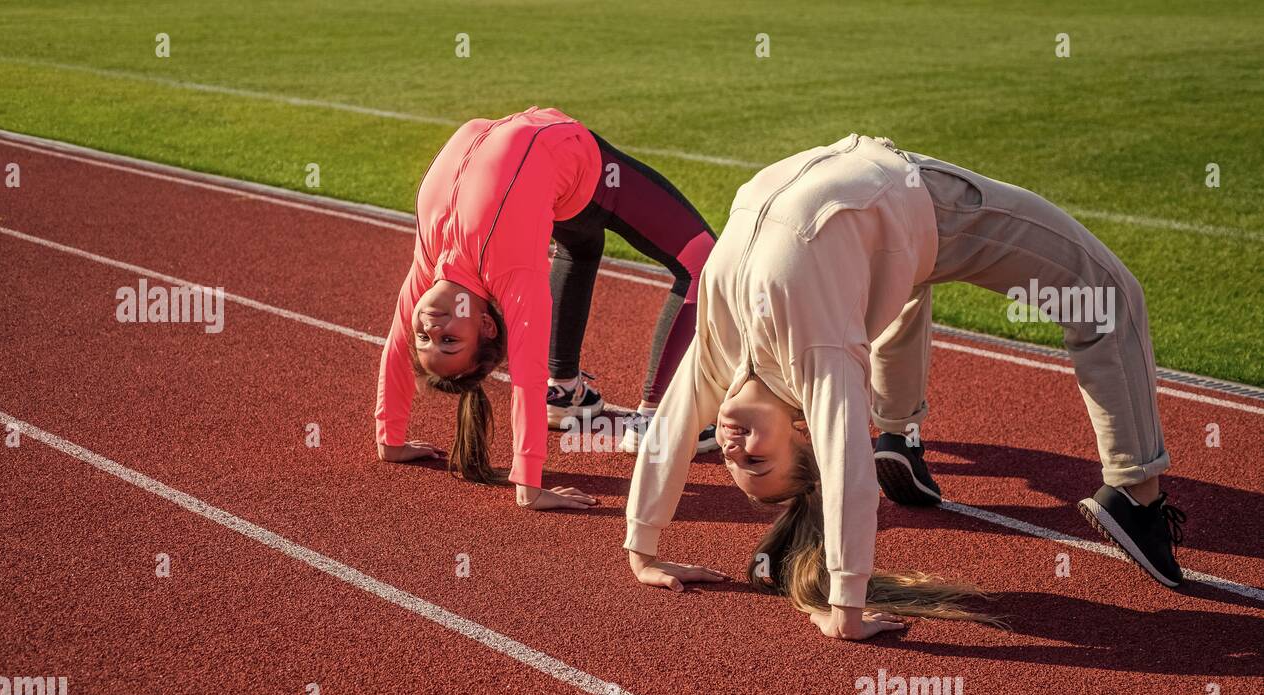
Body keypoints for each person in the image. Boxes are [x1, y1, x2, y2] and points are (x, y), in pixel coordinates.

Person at [624, 134, 1183, 640]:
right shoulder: (818, 357)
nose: (731, 449)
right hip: (930, 212)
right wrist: (846, 605)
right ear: (803, 431)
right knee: (1108, 293)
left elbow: (671, 425)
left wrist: (642, 548)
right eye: (758, 462)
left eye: (735, 466)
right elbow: (846, 467)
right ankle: (1137, 494)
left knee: (890, 288)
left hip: (874, 231)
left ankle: (900, 437)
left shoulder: (724, 349)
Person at [374, 106, 716, 513]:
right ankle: (657, 416)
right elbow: (526, 374)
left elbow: (397, 342)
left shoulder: (432, 261)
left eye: (426, 338)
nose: (431, 326)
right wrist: (528, 485)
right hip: (587, 173)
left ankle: (565, 390)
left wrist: (389, 438)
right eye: (449, 340)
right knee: (702, 260)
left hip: (552, 180)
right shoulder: (512, 269)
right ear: (486, 325)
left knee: (581, 244)